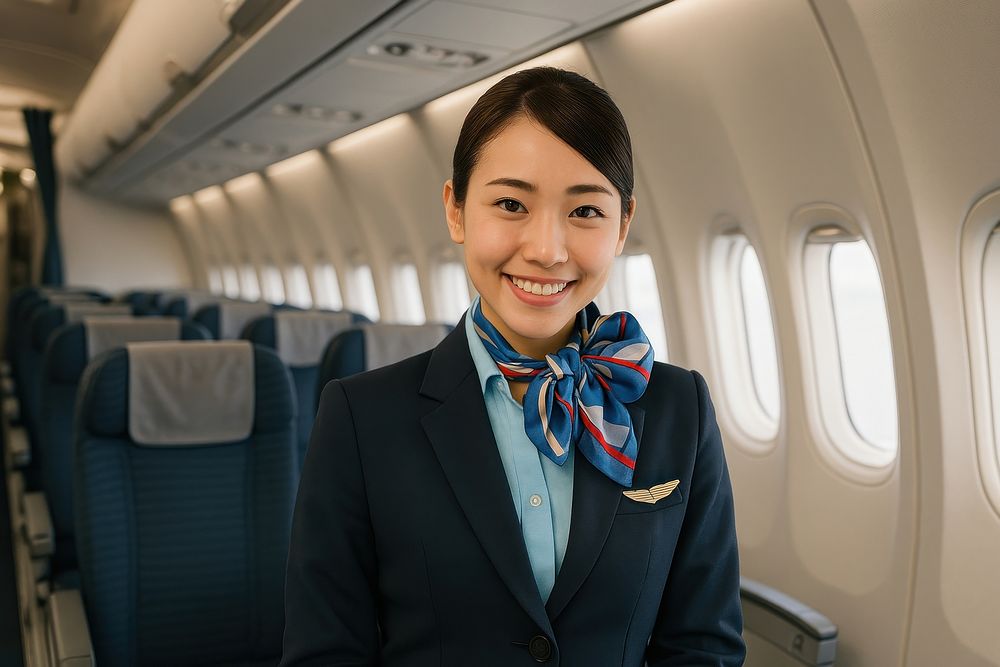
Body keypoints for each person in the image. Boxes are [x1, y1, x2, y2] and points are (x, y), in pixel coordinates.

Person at [281, 67, 745, 666]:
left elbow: (702, 646)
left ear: (623, 224)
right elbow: (326, 654)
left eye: (585, 212)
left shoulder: (679, 407)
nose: (547, 250)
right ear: (455, 209)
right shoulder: (360, 419)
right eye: (510, 204)